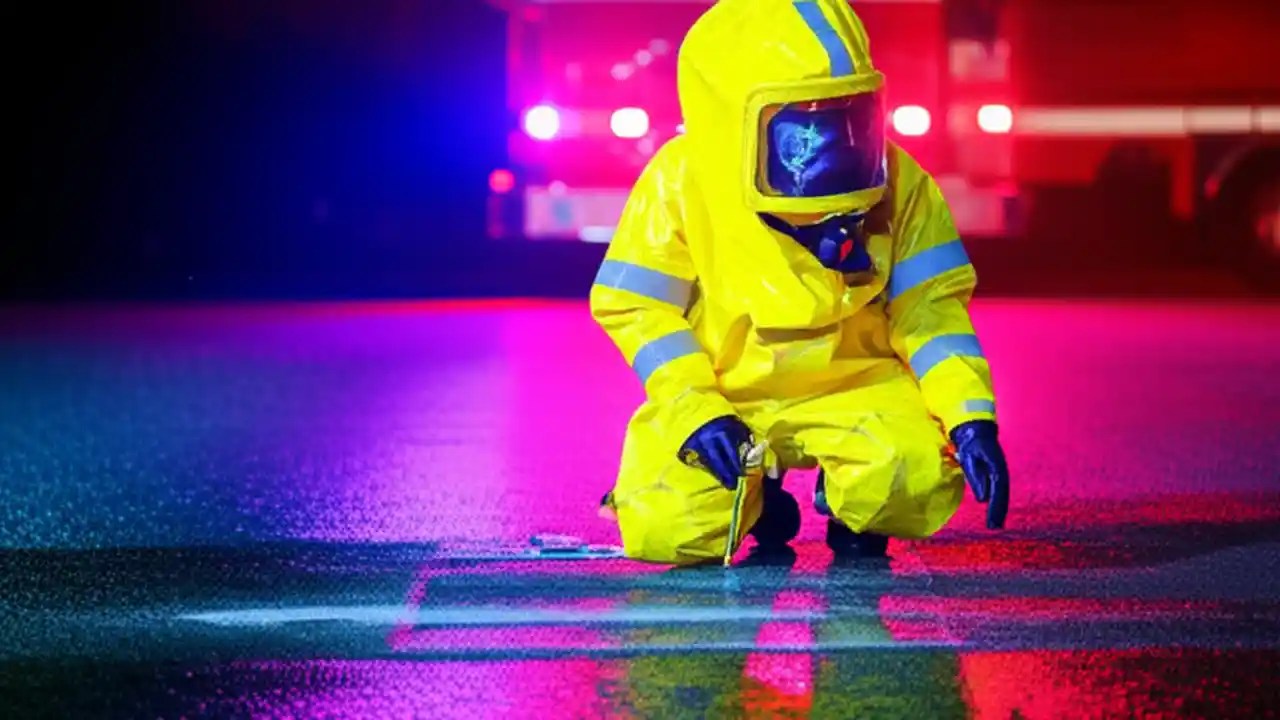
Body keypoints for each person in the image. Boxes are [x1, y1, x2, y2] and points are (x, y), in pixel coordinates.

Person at [590, 0, 1010, 566]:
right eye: (804, 130)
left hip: (855, 388)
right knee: (666, 524)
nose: (833, 147)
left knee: (912, 476)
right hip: (726, 393)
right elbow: (636, 307)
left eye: (847, 118)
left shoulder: (901, 183)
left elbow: (933, 314)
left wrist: (969, 419)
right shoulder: (680, 182)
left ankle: (850, 503)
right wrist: (696, 411)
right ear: (734, 124)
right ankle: (760, 504)